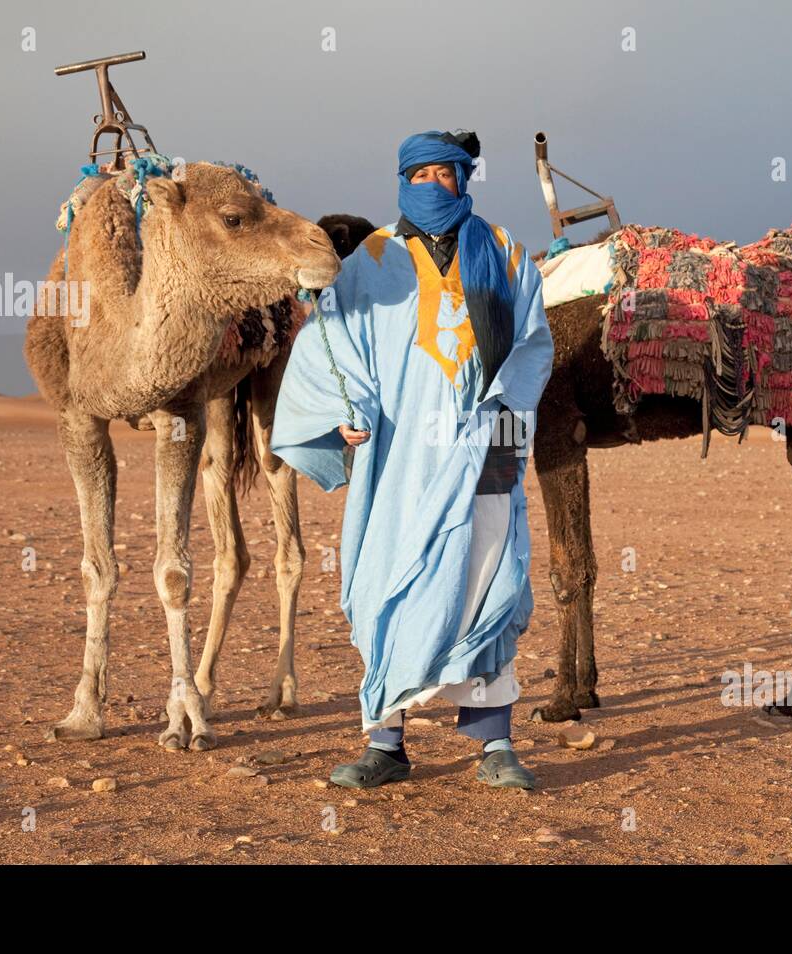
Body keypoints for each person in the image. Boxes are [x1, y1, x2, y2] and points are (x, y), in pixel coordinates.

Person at [270, 130, 553, 789]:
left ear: (463, 178)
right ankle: (386, 745)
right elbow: (331, 345)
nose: (432, 184)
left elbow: (534, 341)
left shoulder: (503, 251)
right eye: (419, 173)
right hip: (396, 458)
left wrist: (504, 414)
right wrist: (344, 413)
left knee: (487, 587)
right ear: (402, 180)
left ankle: (495, 746)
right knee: (386, 589)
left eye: (443, 173)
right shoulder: (369, 260)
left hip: (486, 445)